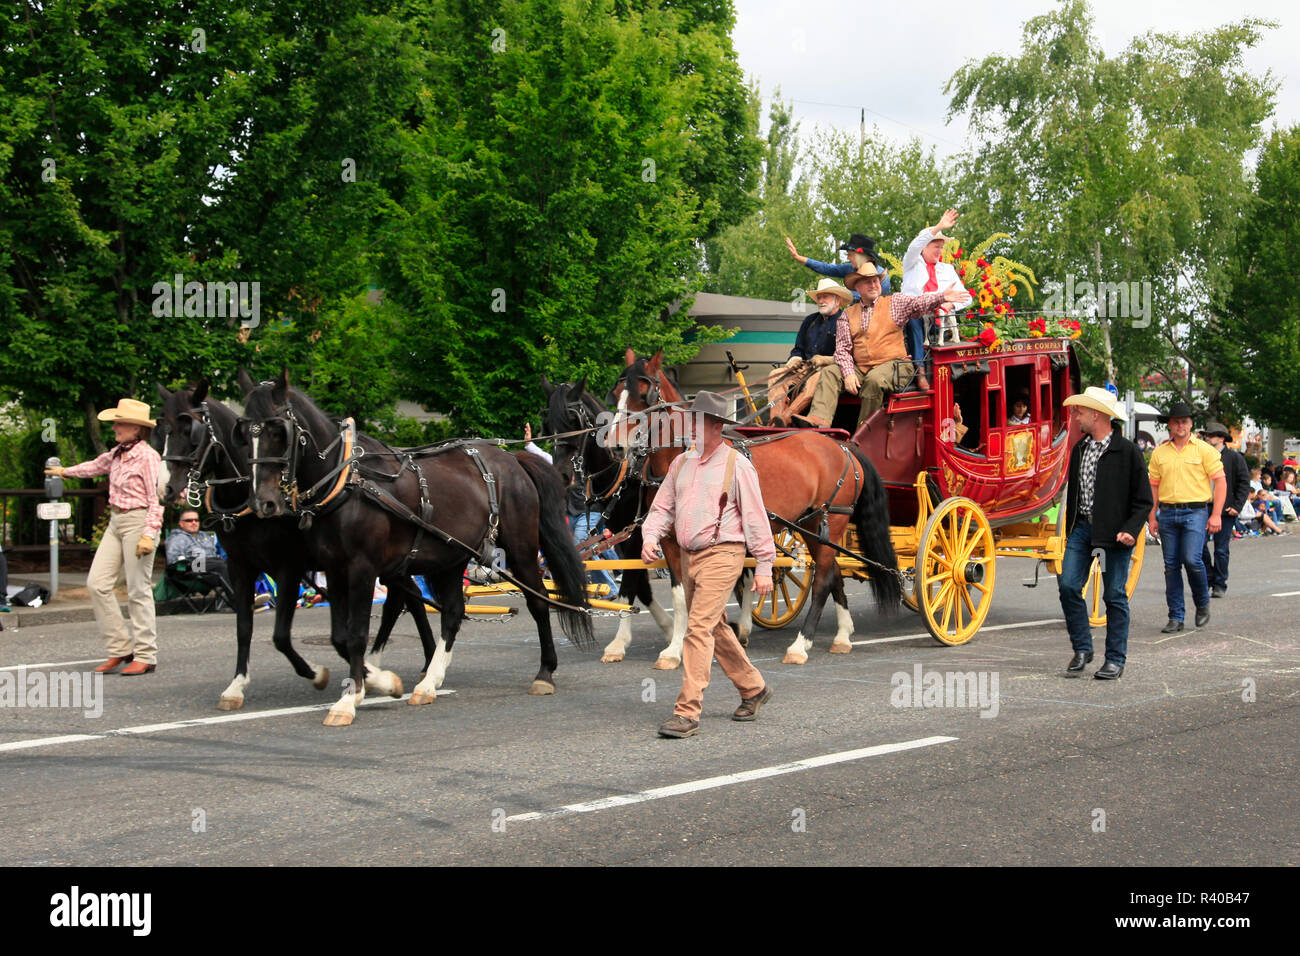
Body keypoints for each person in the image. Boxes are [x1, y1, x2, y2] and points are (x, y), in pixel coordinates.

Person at [641, 391, 776, 738]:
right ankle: (754, 688)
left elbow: (756, 519)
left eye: (697, 421)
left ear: (716, 426)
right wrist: (650, 537)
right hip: (689, 557)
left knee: (697, 627)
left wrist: (764, 566)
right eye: (690, 419)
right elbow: (662, 508)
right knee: (713, 626)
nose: (690, 427)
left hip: (723, 554)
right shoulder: (681, 464)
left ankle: (687, 712)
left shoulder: (737, 465)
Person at [44, 398, 163, 674]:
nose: (115, 428)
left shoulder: (148, 456)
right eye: (115, 423)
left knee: (138, 589)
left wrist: (149, 532)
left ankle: (145, 655)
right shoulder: (118, 453)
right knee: (97, 583)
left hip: (139, 519)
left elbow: (157, 498)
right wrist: (64, 472)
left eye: (120, 423)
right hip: (116, 521)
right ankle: (121, 649)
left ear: (137, 428)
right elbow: (95, 466)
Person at [1057, 387, 1152, 680]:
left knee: (1113, 595)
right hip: (1083, 530)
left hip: (1111, 538)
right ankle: (1083, 649)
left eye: (1080, 412)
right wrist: (1070, 527)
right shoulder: (1080, 449)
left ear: (1096, 415)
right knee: (1069, 586)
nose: (1076, 417)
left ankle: (1115, 659)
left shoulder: (1128, 452)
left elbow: (1143, 500)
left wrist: (1130, 529)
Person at [803, 265, 967, 429]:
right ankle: (819, 422)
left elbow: (918, 303)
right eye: (868, 282)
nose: (873, 285)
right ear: (858, 288)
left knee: (874, 380)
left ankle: (863, 433)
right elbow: (842, 351)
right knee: (830, 372)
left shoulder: (894, 302)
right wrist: (848, 374)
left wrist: (942, 297)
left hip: (895, 364)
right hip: (862, 367)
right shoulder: (847, 314)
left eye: (876, 281)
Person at [1147, 401, 1227, 634]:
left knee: (1192, 560)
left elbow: (1221, 481)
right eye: (1176, 421)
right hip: (1168, 512)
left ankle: (1202, 602)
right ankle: (1176, 616)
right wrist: (1152, 516)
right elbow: (1153, 487)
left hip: (1196, 511)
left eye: (1185, 421)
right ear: (1169, 425)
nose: (1180, 425)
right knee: (1171, 565)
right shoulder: (1160, 452)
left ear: (1191, 424)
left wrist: (1216, 514)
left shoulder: (1203, 449)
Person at [767, 278, 851, 427]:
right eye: (819, 297)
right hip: (805, 369)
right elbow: (798, 349)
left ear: (837, 300)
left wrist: (824, 360)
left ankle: (787, 417)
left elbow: (849, 355)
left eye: (825, 296)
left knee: (817, 378)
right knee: (776, 375)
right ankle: (775, 420)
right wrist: (794, 360)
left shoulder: (846, 321)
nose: (821, 300)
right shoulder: (810, 320)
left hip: (831, 371)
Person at [902, 208, 973, 350]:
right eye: (936, 246)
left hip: (940, 320)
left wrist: (950, 305)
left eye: (941, 247)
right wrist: (938, 227)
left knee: (943, 318)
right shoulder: (911, 263)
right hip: (915, 318)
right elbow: (913, 247)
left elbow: (967, 297)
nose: (940, 251)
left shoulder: (947, 269)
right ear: (924, 248)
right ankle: (920, 367)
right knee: (915, 320)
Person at [1200, 423, 1250, 598]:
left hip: (1225, 510)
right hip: (1203, 507)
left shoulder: (1234, 458)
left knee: (1221, 549)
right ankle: (1208, 577)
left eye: (1211, 435)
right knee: (1199, 546)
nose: (1207, 438)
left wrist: (1237, 506)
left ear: (1221, 438)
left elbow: (1244, 483)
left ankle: (1220, 584)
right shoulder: (1202, 455)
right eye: (1206, 435)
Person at [165, 508, 238, 602]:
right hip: (190, 571)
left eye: (196, 520)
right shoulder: (176, 539)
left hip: (211, 571)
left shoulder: (204, 536)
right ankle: (238, 601)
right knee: (220, 565)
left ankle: (251, 597)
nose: (194, 522)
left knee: (236, 564)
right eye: (189, 520)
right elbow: (173, 560)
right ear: (181, 523)